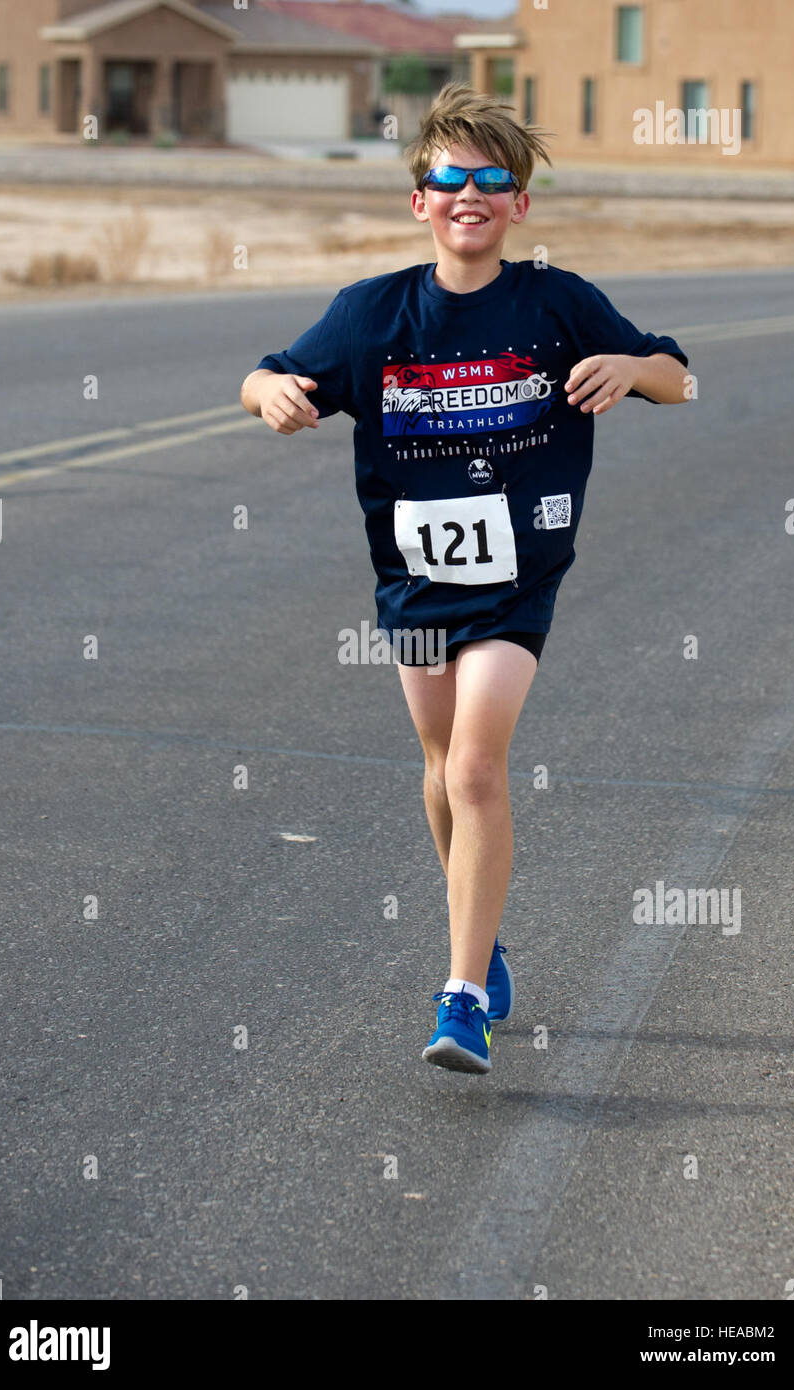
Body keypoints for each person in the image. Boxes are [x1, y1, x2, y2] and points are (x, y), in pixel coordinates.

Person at [240, 82, 690, 1075]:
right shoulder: (370, 316)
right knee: (440, 768)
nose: (470, 195)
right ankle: (482, 945)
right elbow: (270, 371)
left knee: (478, 766)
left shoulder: (556, 301)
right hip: (408, 583)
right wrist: (267, 389)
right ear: (420, 200)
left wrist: (626, 366)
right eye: (451, 178)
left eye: (494, 179)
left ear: (518, 205)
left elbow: (677, 372)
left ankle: (459, 999)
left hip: (516, 578)